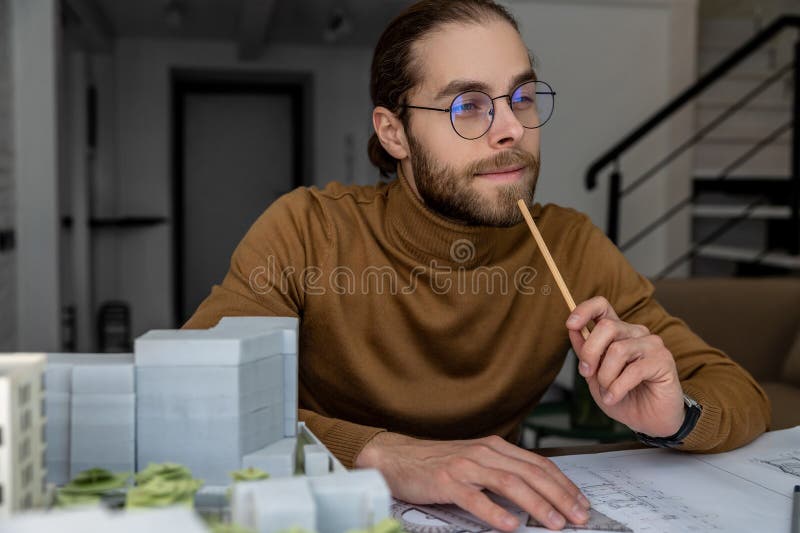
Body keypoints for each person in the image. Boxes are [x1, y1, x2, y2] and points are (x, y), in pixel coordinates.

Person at [184, 1, 771, 530]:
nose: (512, 128)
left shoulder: (569, 245)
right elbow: (193, 400)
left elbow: (739, 395)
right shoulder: (306, 230)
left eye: (520, 96)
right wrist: (382, 456)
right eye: (468, 105)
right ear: (394, 133)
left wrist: (676, 416)